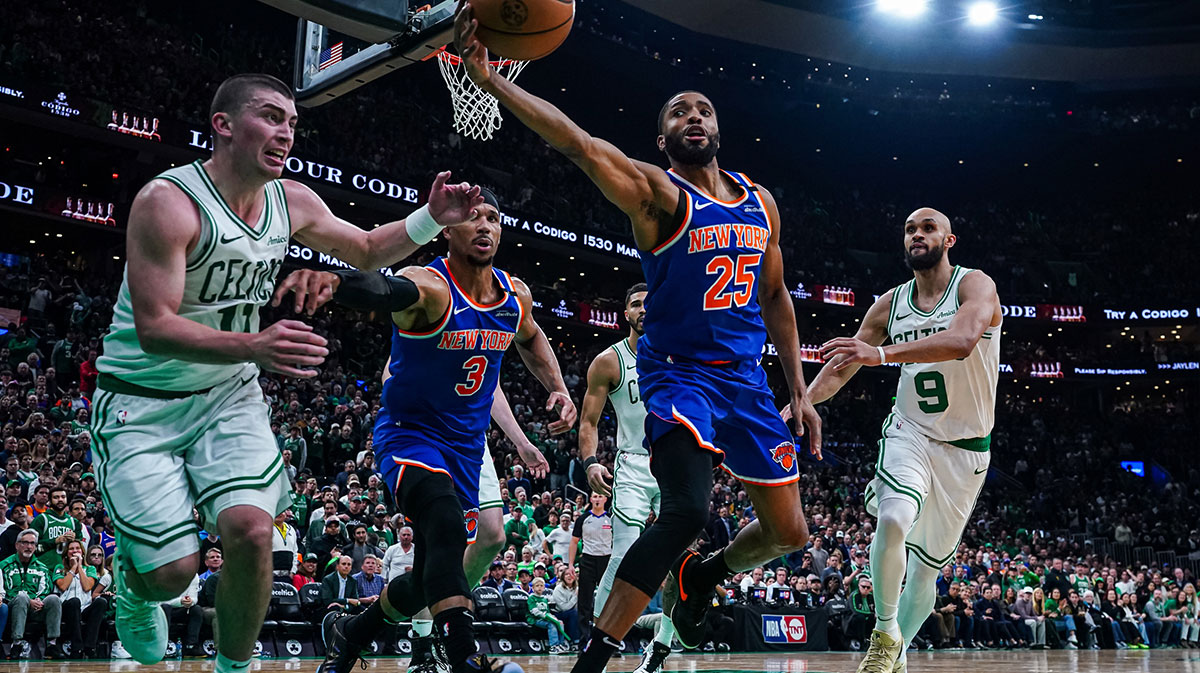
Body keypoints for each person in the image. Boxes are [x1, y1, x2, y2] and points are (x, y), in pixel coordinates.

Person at [454, 9, 822, 669]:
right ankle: (593, 662)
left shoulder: (759, 201)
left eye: (703, 110)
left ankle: (703, 574)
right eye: (679, 111)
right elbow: (578, 143)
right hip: (680, 373)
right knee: (684, 512)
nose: (693, 116)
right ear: (663, 138)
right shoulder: (656, 193)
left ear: (718, 129)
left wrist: (799, 390)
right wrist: (494, 82)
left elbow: (774, 296)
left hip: (746, 378)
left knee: (788, 531)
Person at [89, 72, 484, 671]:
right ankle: (134, 584)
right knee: (172, 575)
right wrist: (254, 344)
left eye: (292, 123)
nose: (286, 133)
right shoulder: (168, 203)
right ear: (223, 125)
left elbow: (367, 249)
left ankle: (235, 668)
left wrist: (430, 217)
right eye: (271, 117)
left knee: (253, 534)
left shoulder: (290, 199)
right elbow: (155, 328)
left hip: (226, 393)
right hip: (141, 399)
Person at [293, 186, 575, 673]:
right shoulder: (430, 285)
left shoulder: (515, 295)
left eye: (492, 218)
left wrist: (559, 389)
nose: (484, 225)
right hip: (411, 434)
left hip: (466, 446)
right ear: (446, 230)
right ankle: (465, 658)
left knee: (427, 577)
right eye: (472, 217)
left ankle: (351, 634)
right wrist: (338, 282)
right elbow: (386, 290)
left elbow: (531, 338)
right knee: (445, 523)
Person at [805, 207, 1001, 672]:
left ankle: (897, 652)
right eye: (910, 229)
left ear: (949, 241)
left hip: (965, 449)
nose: (917, 234)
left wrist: (880, 354)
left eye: (928, 228)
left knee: (926, 570)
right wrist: (802, 403)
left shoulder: (975, 285)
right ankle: (884, 632)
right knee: (893, 518)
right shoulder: (890, 304)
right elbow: (846, 364)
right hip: (909, 430)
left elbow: (962, 341)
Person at [577, 282, 676, 673]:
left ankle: (660, 648)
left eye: (649, 303)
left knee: (679, 561)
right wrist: (590, 462)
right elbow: (588, 421)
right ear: (626, 314)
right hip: (632, 463)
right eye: (636, 304)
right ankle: (595, 646)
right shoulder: (609, 361)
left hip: (674, 463)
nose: (643, 309)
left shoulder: (680, 353)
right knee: (622, 556)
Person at [1, 529, 63, 658]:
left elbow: (45, 589)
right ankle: (16, 644)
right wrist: (29, 601)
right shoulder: (5, 565)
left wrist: (38, 600)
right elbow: (6, 591)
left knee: (54, 599)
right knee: (21, 597)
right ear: (17, 545)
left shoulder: (42, 567)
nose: (29, 546)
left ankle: (52, 645)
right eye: (25, 543)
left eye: (32, 543)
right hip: (14, 607)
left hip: (36, 608)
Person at [54, 539, 109, 659]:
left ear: (82, 552)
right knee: (75, 601)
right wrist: (73, 568)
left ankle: (90, 647)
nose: (75, 551)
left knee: (101, 602)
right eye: (71, 549)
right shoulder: (59, 568)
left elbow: (87, 586)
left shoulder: (90, 569)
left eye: (77, 548)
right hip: (67, 607)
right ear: (66, 553)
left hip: (85, 608)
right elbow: (63, 586)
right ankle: (77, 647)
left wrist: (79, 566)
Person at [570, 492, 612, 640]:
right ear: (591, 499)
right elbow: (574, 541)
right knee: (584, 601)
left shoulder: (611, 519)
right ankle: (584, 639)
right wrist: (570, 564)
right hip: (588, 560)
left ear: (605, 499)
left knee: (608, 600)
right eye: (595, 496)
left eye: (600, 496)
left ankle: (608, 638)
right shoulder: (583, 519)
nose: (597, 499)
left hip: (606, 560)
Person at [528, 577, 570, 654]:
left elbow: (547, 611)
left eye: (541, 586)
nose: (539, 587)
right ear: (533, 588)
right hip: (535, 619)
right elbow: (534, 611)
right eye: (537, 586)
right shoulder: (531, 598)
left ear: (544, 588)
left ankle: (560, 644)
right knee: (551, 624)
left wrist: (553, 618)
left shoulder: (544, 599)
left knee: (560, 623)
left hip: (545, 618)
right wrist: (546, 616)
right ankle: (553, 646)